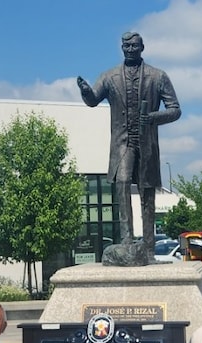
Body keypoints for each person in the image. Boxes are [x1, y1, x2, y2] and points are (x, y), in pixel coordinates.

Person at [77, 31, 181, 259]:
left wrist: (153, 117)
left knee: (147, 192)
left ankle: (149, 247)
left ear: (142, 47)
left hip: (146, 143)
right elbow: (94, 100)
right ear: (122, 48)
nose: (130, 50)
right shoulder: (110, 76)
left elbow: (175, 110)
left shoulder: (157, 76)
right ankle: (126, 240)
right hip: (122, 143)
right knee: (122, 183)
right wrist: (86, 92)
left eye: (134, 46)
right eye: (126, 46)